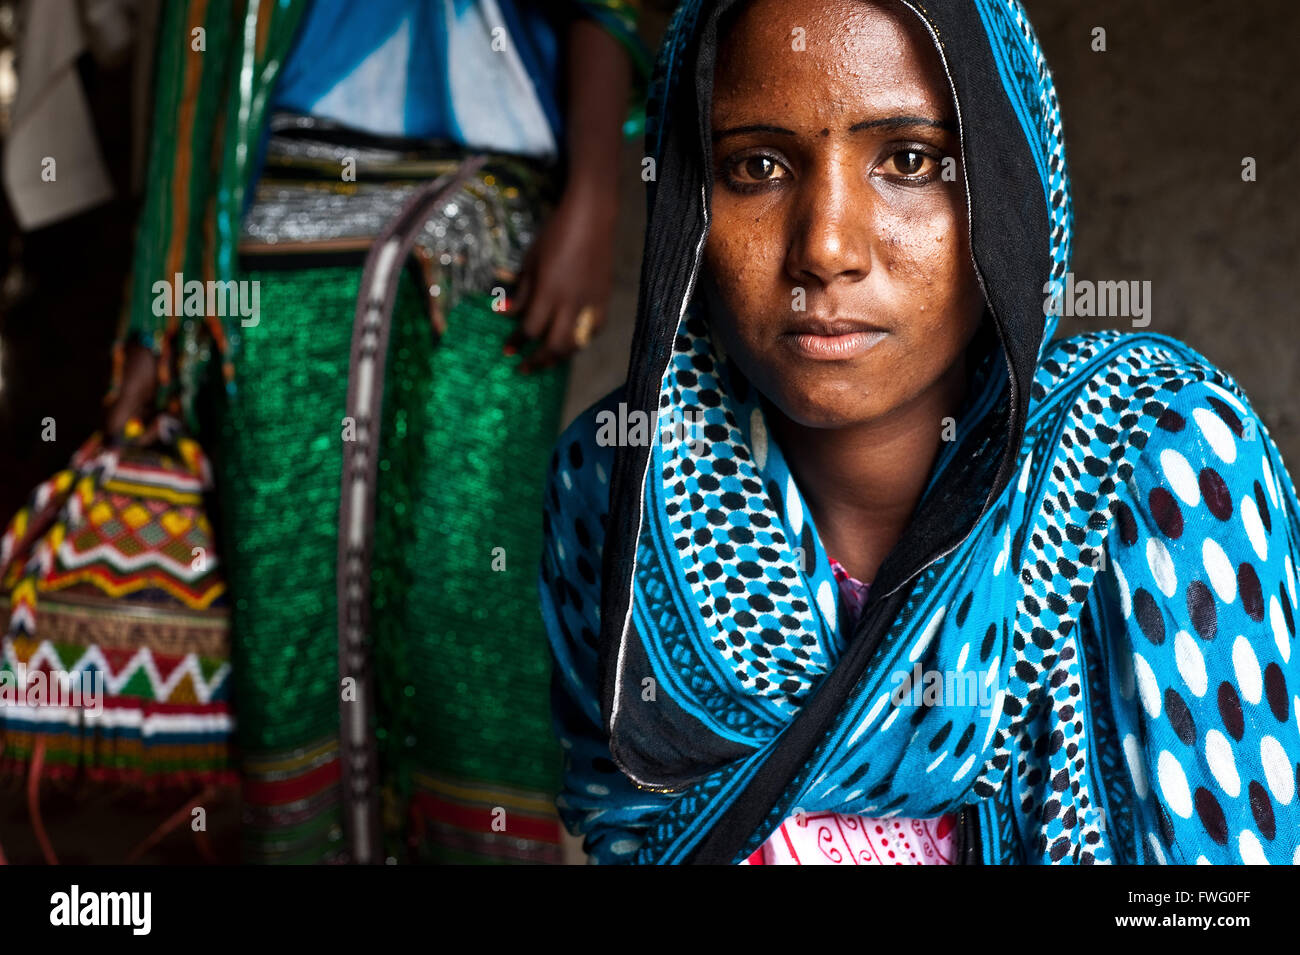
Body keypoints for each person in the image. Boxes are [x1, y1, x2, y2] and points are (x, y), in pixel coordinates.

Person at [539, 0, 1300, 865]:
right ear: (686, 204)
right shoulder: (619, 483)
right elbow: (622, 820)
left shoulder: (1158, 462)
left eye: (908, 160)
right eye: (757, 166)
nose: (826, 247)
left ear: (1011, 188)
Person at [106, 0, 646, 864]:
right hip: (270, 215)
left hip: (482, 202)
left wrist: (596, 192)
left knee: (467, 609)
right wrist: (155, 311)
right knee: (283, 623)